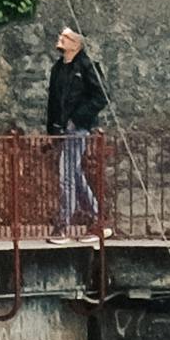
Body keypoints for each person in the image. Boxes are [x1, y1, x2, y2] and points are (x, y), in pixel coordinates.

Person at [44, 22, 107, 234]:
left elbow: (101, 97)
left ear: (76, 44)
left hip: (77, 128)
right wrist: (52, 131)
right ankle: (97, 218)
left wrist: (77, 118)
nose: (61, 38)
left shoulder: (86, 66)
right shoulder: (58, 68)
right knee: (74, 173)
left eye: (66, 37)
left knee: (67, 174)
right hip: (63, 129)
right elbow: (53, 102)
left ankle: (63, 225)